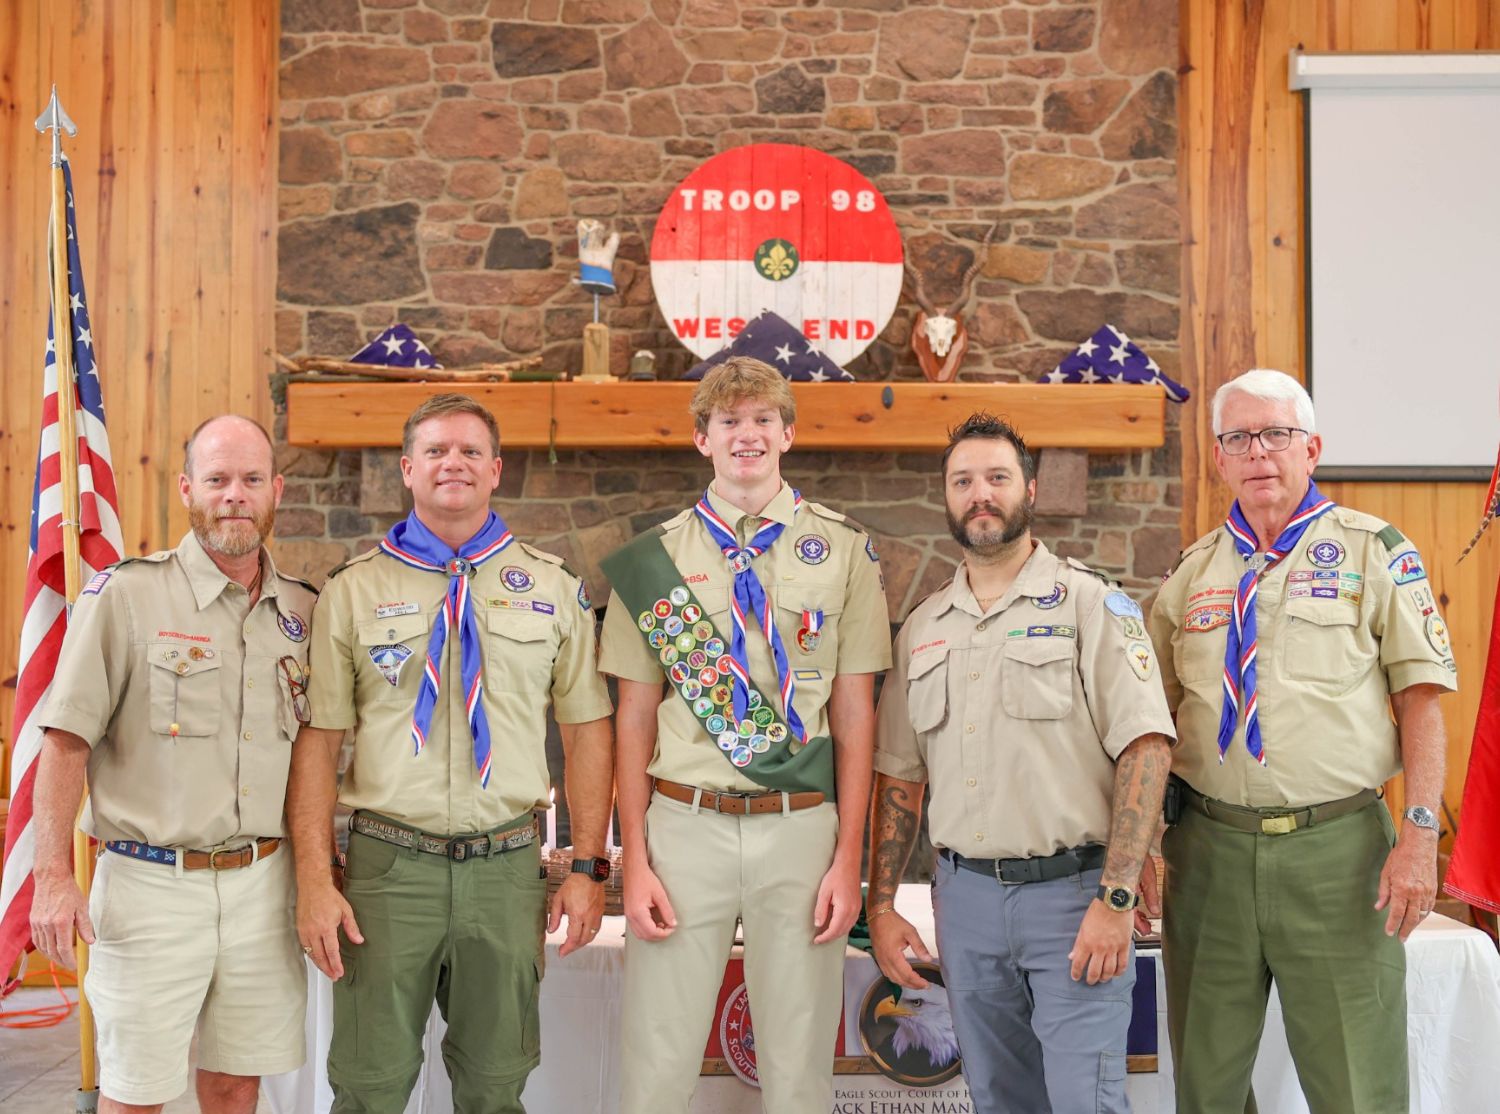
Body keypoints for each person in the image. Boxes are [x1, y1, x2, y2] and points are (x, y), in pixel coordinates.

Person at [286, 394, 614, 1114]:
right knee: (368, 1087)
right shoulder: (353, 590)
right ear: (408, 469)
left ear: (496, 471)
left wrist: (588, 865)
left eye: (470, 451)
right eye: (435, 451)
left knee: (497, 1087)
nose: (453, 463)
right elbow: (320, 741)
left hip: (504, 870)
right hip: (387, 870)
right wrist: (314, 875)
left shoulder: (554, 587)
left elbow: (588, 729)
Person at [1148, 368, 1456, 1114]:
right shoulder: (1191, 575)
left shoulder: (1371, 551)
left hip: (1338, 854)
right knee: (1206, 1085)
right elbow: (1152, 722)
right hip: (1208, 855)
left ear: (1311, 448)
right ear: (1220, 456)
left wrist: (1418, 835)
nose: (1260, 452)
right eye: (1239, 438)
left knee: (1356, 1084)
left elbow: (1421, 701)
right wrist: (1141, 843)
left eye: (1277, 435)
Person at [597, 356, 892, 1114]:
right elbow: (633, 715)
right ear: (703, 439)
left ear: (788, 433)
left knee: (798, 1068)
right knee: (656, 1062)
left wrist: (847, 857)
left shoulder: (846, 551)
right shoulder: (657, 558)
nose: (747, 435)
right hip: (683, 823)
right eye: (729, 421)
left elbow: (857, 713)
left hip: (800, 829)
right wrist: (633, 856)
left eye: (763, 419)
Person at [867, 412, 1175, 1114]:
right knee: (1000, 1100)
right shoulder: (923, 628)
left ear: (1030, 490)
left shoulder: (1091, 604)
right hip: (965, 904)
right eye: (963, 481)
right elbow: (899, 777)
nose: (981, 493)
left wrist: (1117, 894)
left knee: (1084, 1101)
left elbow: (1146, 747)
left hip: (1074, 901)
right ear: (945, 498)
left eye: (997, 477)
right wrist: (880, 903)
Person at [29, 415, 314, 1114]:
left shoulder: (303, 611)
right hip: (150, 886)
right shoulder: (126, 596)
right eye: (217, 480)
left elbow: (314, 752)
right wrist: (53, 876)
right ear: (188, 488)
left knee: (235, 1083)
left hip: (261, 887)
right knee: (137, 1093)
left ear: (275, 490)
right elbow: (65, 741)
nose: (234, 496)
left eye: (250, 480)